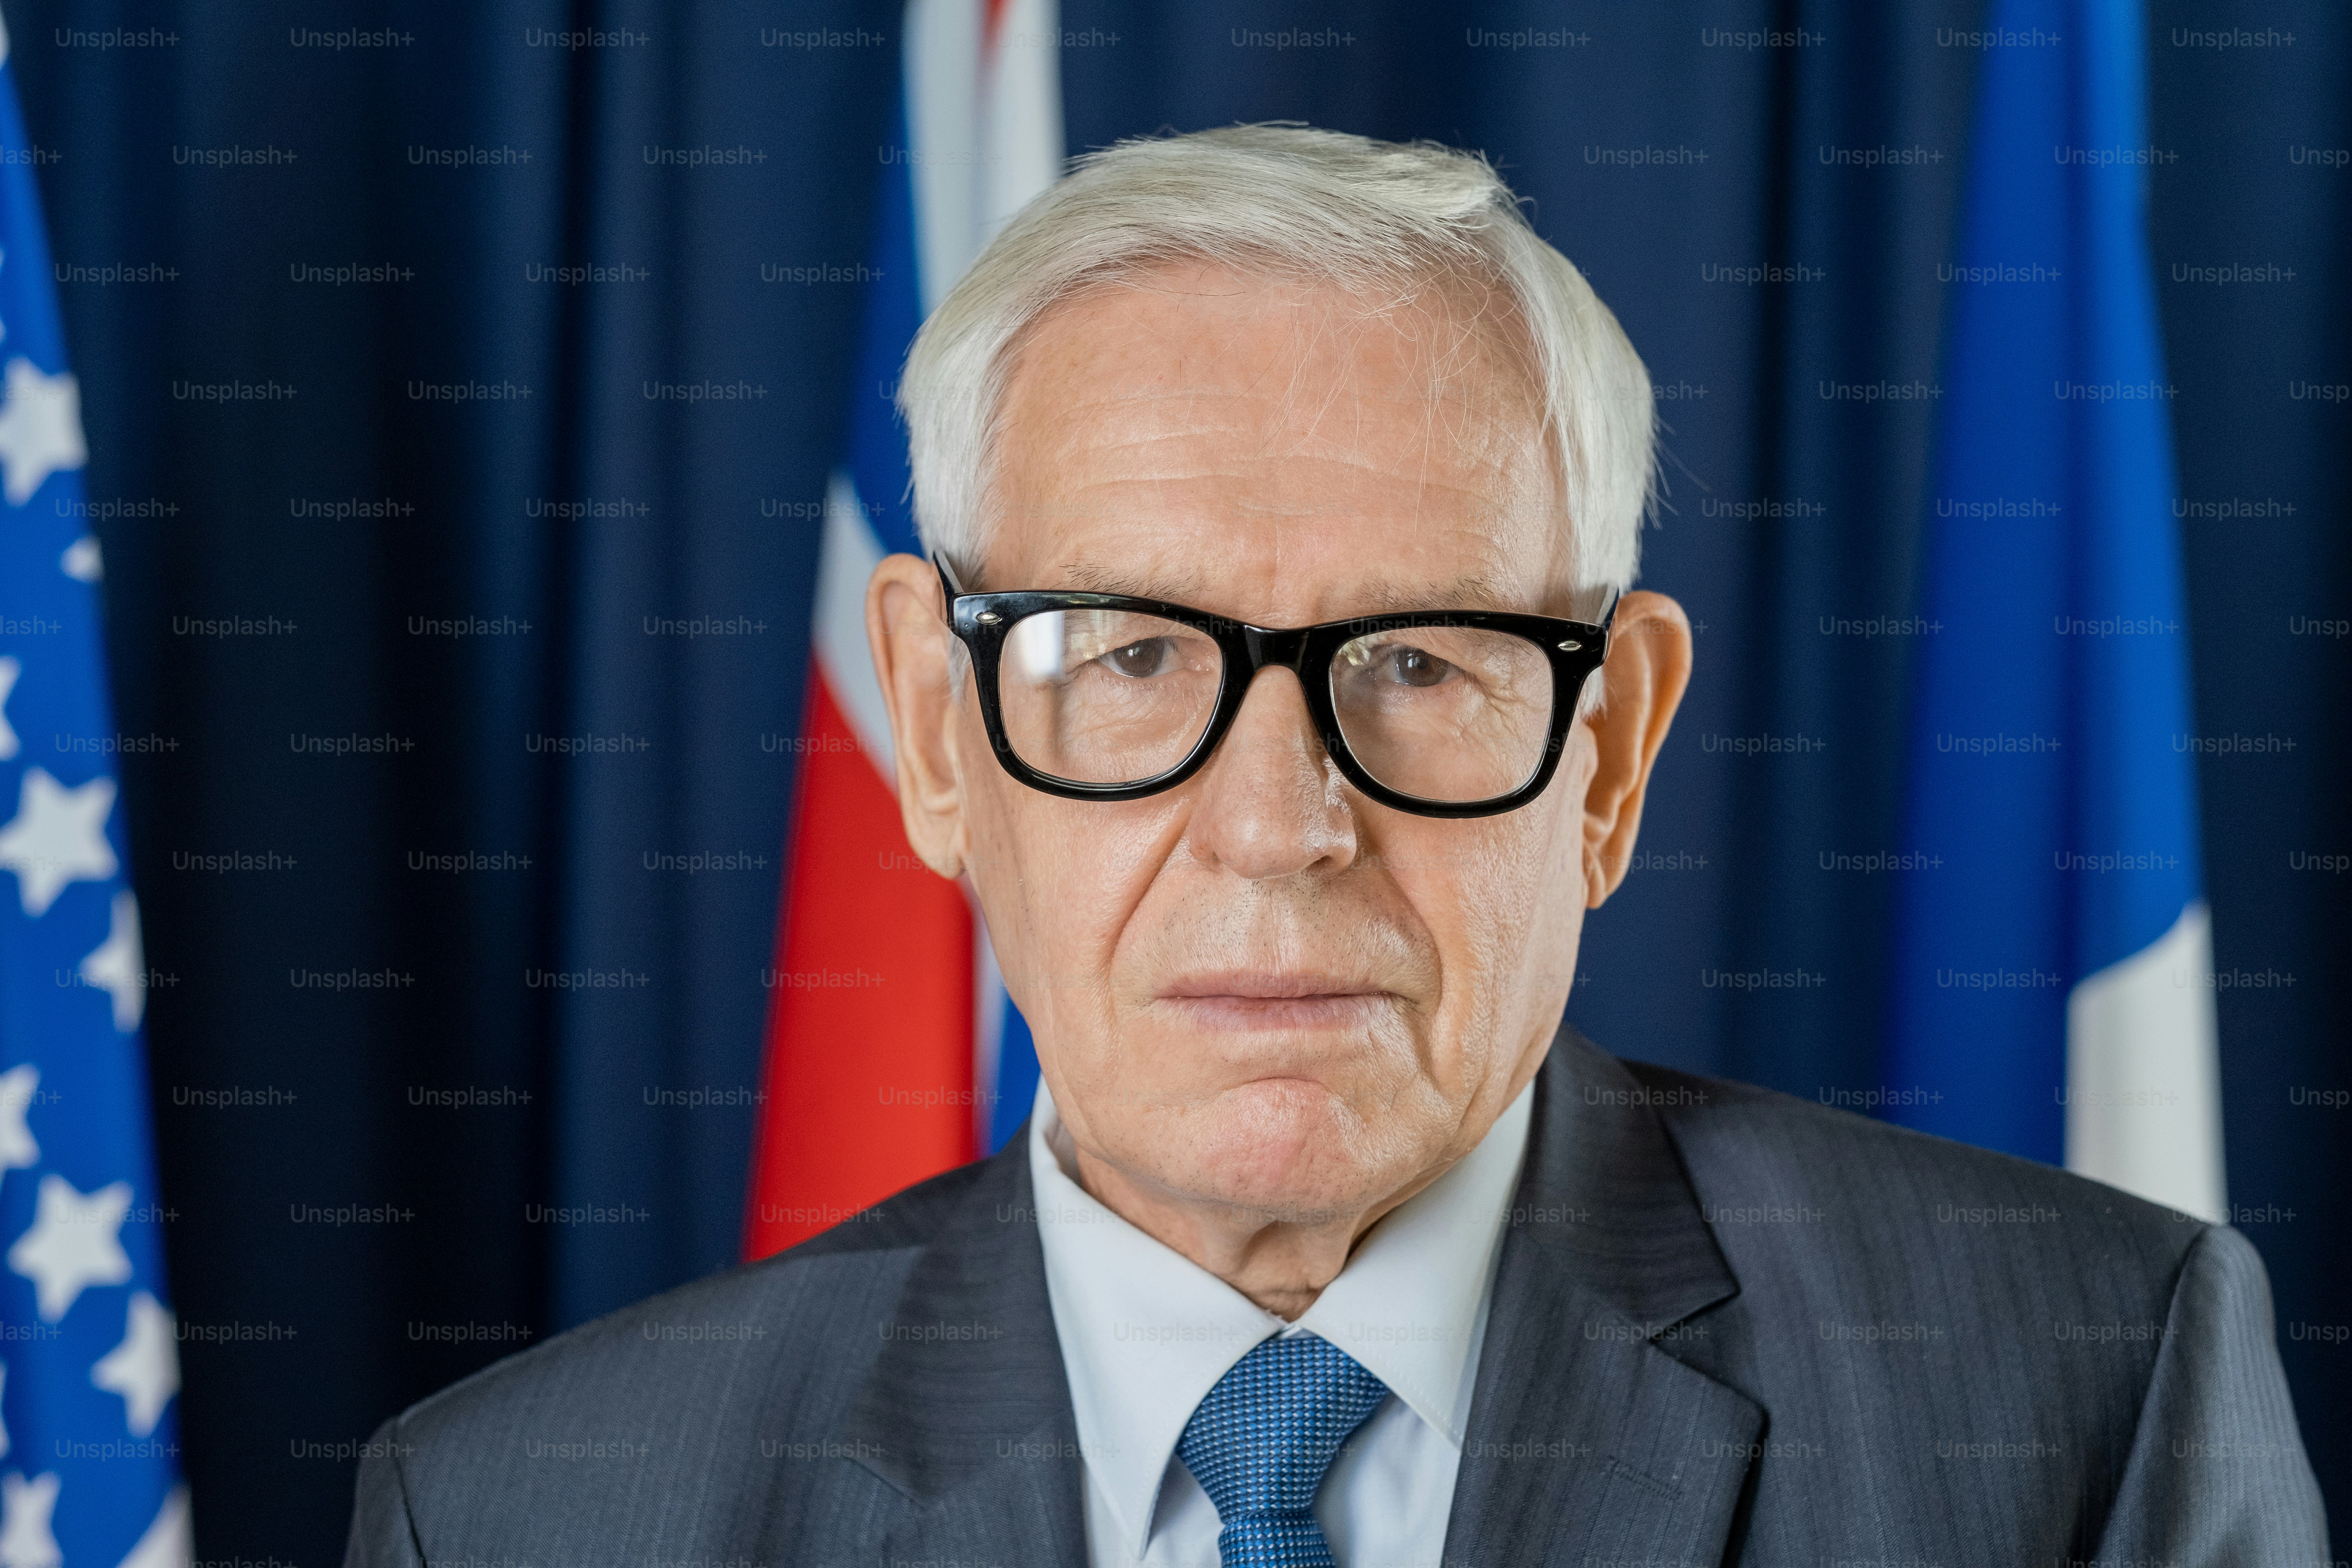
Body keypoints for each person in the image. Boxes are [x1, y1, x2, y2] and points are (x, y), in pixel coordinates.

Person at [345, 125, 2326, 1568]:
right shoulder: (531, 1514)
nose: (1282, 828)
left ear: (1613, 750)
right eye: (1128, 657)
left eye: (1419, 663)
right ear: (940, 735)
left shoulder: (2081, 1406)